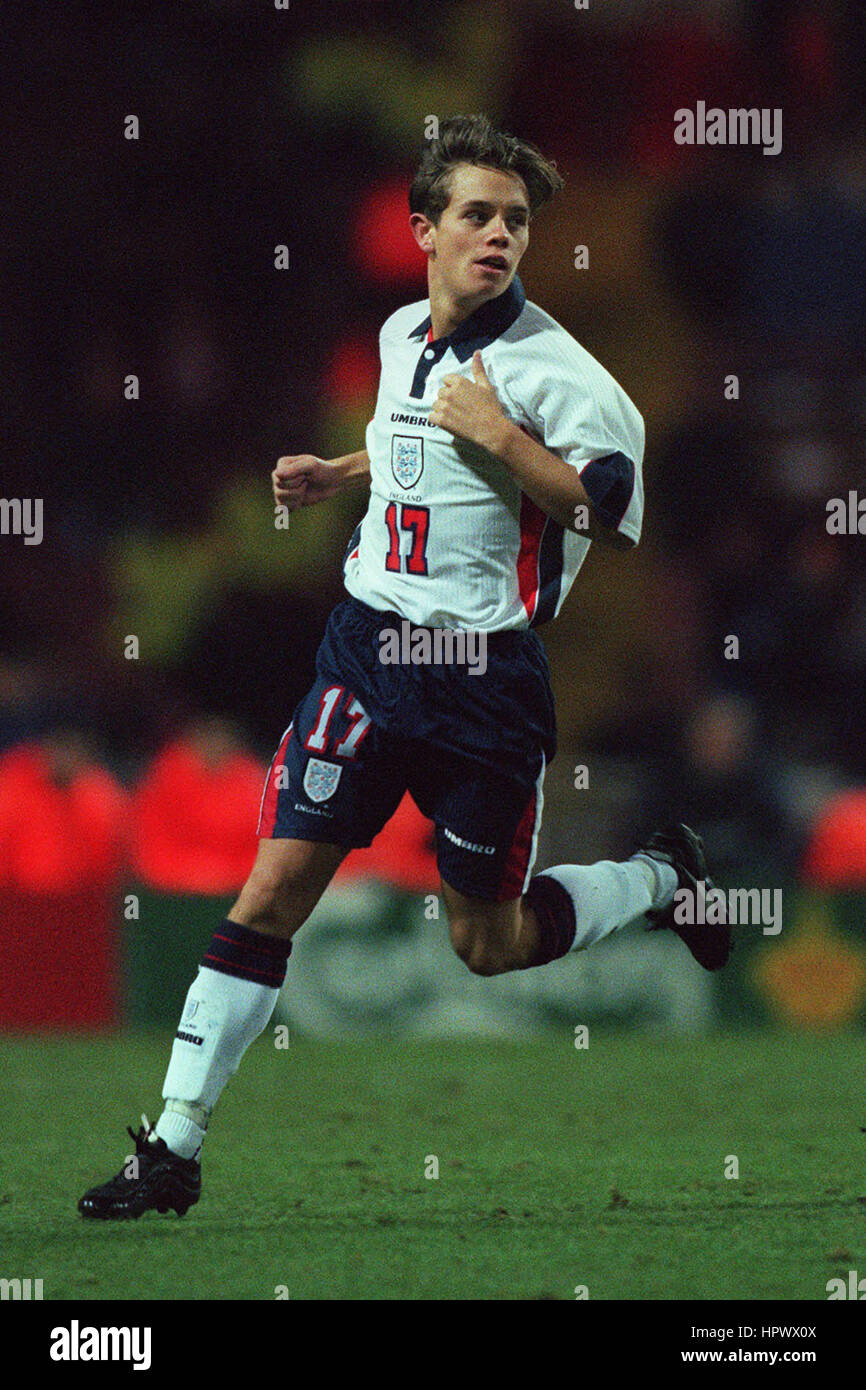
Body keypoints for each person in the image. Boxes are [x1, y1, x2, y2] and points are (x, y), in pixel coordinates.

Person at [79, 115, 730, 1221]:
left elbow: (612, 516)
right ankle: (173, 1146)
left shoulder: (561, 376)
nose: (498, 236)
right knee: (273, 889)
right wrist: (338, 472)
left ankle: (663, 877)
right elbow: (408, 438)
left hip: (484, 682)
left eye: (516, 221)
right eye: (475, 215)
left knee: (487, 942)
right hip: (369, 653)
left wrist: (507, 441)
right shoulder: (396, 337)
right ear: (424, 230)